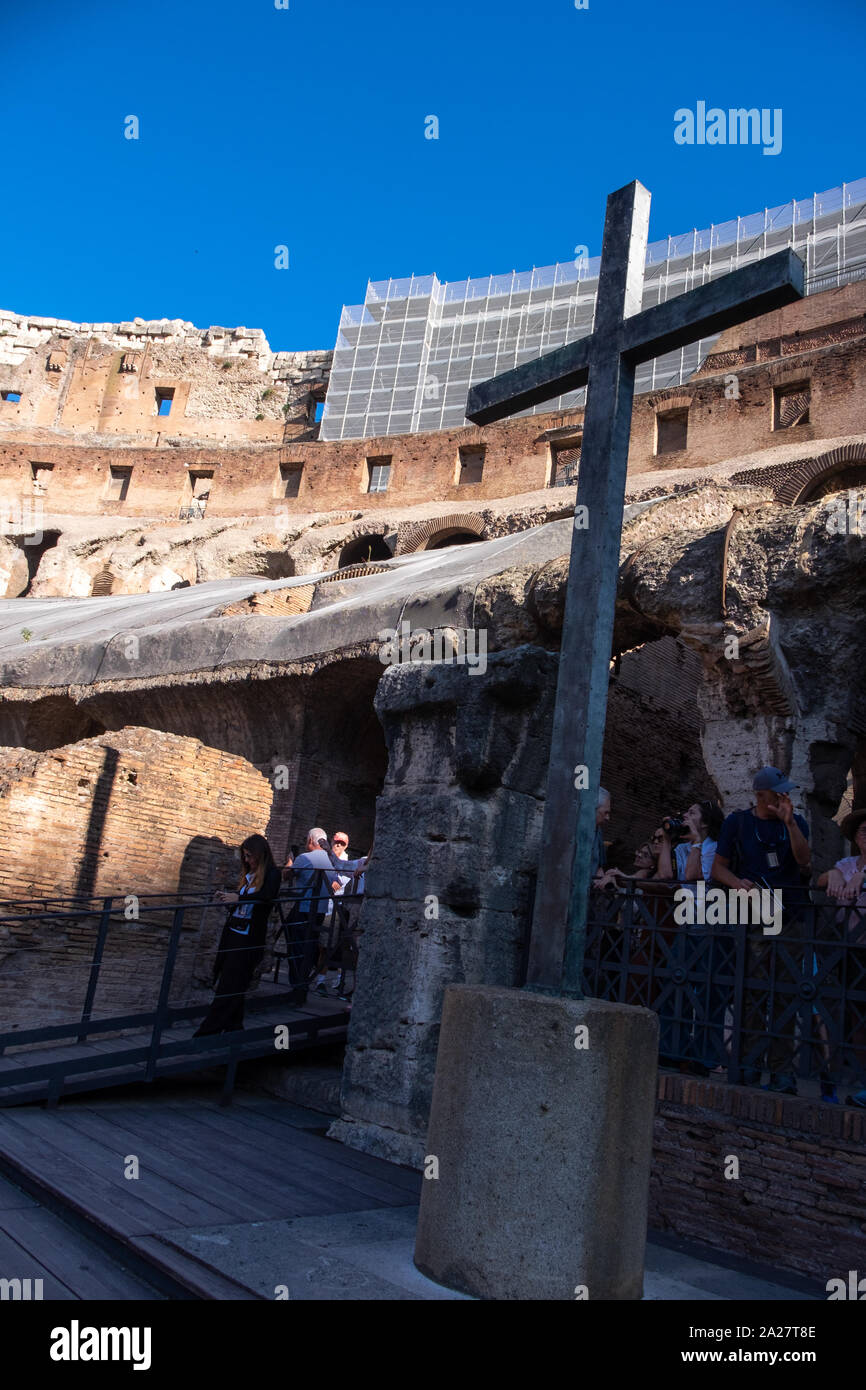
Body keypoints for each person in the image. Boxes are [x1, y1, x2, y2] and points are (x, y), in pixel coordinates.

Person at [711, 766, 811, 1095]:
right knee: (752, 992)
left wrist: (790, 822)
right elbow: (718, 869)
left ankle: (782, 1072)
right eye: (777, 792)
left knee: (785, 994)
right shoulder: (738, 823)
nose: (784, 796)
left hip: (791, 916)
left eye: (786, 791)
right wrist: (737, 883)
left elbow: (804, 861)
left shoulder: (795, 823)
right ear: (759, 795)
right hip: (753, 915)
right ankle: (751, 1064)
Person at [194, 834, 281, 1036]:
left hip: (248, 939)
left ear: (260, 855)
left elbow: (266, 897)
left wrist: (239, 898)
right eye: (245, 856)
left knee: (230, 985)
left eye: (250, 856)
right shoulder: (249, 875)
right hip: (233, 933)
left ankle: (207, 1032)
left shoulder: (272, 874)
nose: (247, 860)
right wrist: (229, 900)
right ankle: (235, 1028)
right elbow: (244, 903)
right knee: (232, 983)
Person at [817, 807, 866, 1108]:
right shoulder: (847, 863)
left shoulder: (857, 869)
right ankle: (861, 1082)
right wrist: (835, 873)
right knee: (853, 1018)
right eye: (863, 831)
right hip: (848, 952)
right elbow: (823, 879)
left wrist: (862, 877)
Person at [310, 831, 352, 997]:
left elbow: (340, 884)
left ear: (346, 845)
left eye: (342, 844)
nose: (338, 846)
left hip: (337, 908)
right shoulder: (326, 859)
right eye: (336, 843)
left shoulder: (347, 863)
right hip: (322, 906)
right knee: (321, 945)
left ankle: (330, 980)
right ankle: (318, 978)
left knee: (334, 946)